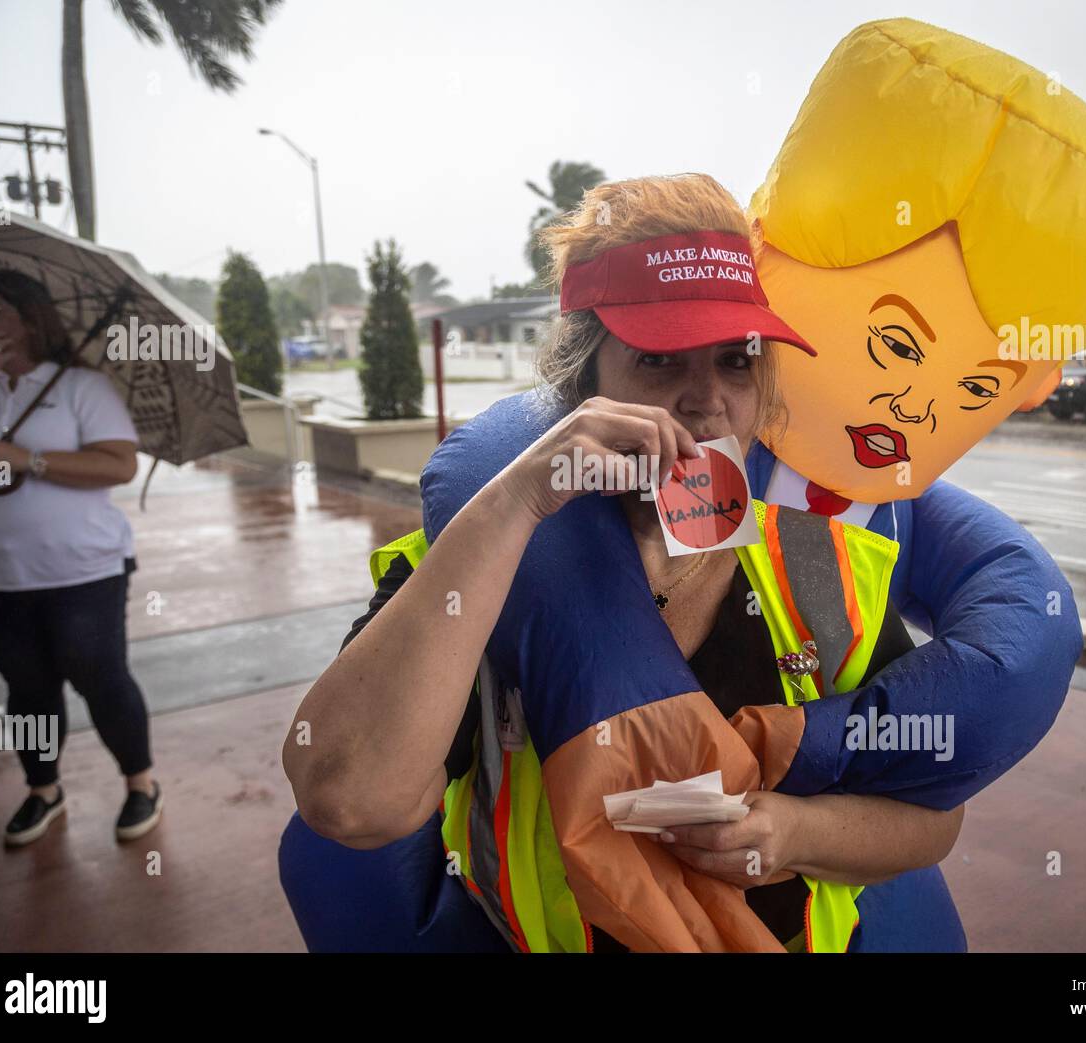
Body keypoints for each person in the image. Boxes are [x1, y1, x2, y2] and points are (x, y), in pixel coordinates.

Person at [284, 174, 966, 952]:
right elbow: (343, 798)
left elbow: (933, 813)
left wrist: (797, 831)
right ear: (584, 382)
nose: (706, 399)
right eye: (660, 359)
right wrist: (518, 501)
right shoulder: (478, 567)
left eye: (737, 361)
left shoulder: (826, 574)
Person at [0, 269, 162, 846]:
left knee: (100, 678)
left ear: (29, 316)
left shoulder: (77, 387)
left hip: (83, 571)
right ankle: (43, 789)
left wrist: (30, 460)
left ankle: (140, 781)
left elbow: (119, 465)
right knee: (26, 687)